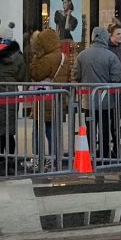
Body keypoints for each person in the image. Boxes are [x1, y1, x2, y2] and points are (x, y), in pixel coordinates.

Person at [72, 26, 121, 159]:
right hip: (107, 101)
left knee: (90, 128)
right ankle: (104, 154)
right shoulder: (111, 56)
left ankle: (90, 154)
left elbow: (75, 75)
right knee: (104, 129)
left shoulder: (82, 55)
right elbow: (116, 78)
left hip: (88, 100)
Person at [29, 28, 71, 162]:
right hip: (58, 98)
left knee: (38, 130)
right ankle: (55, 157)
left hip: (44, 99)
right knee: (53, 130)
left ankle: (38, 158)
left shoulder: (46, 59)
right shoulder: (64, 57)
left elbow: (36, 74)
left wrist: (36, 57)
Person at [0, 25, 28, 173]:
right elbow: (22, 77)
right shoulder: (18, 55)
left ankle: (0, 161)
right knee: (9, 131)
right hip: (12, 96)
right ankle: (10, 160)